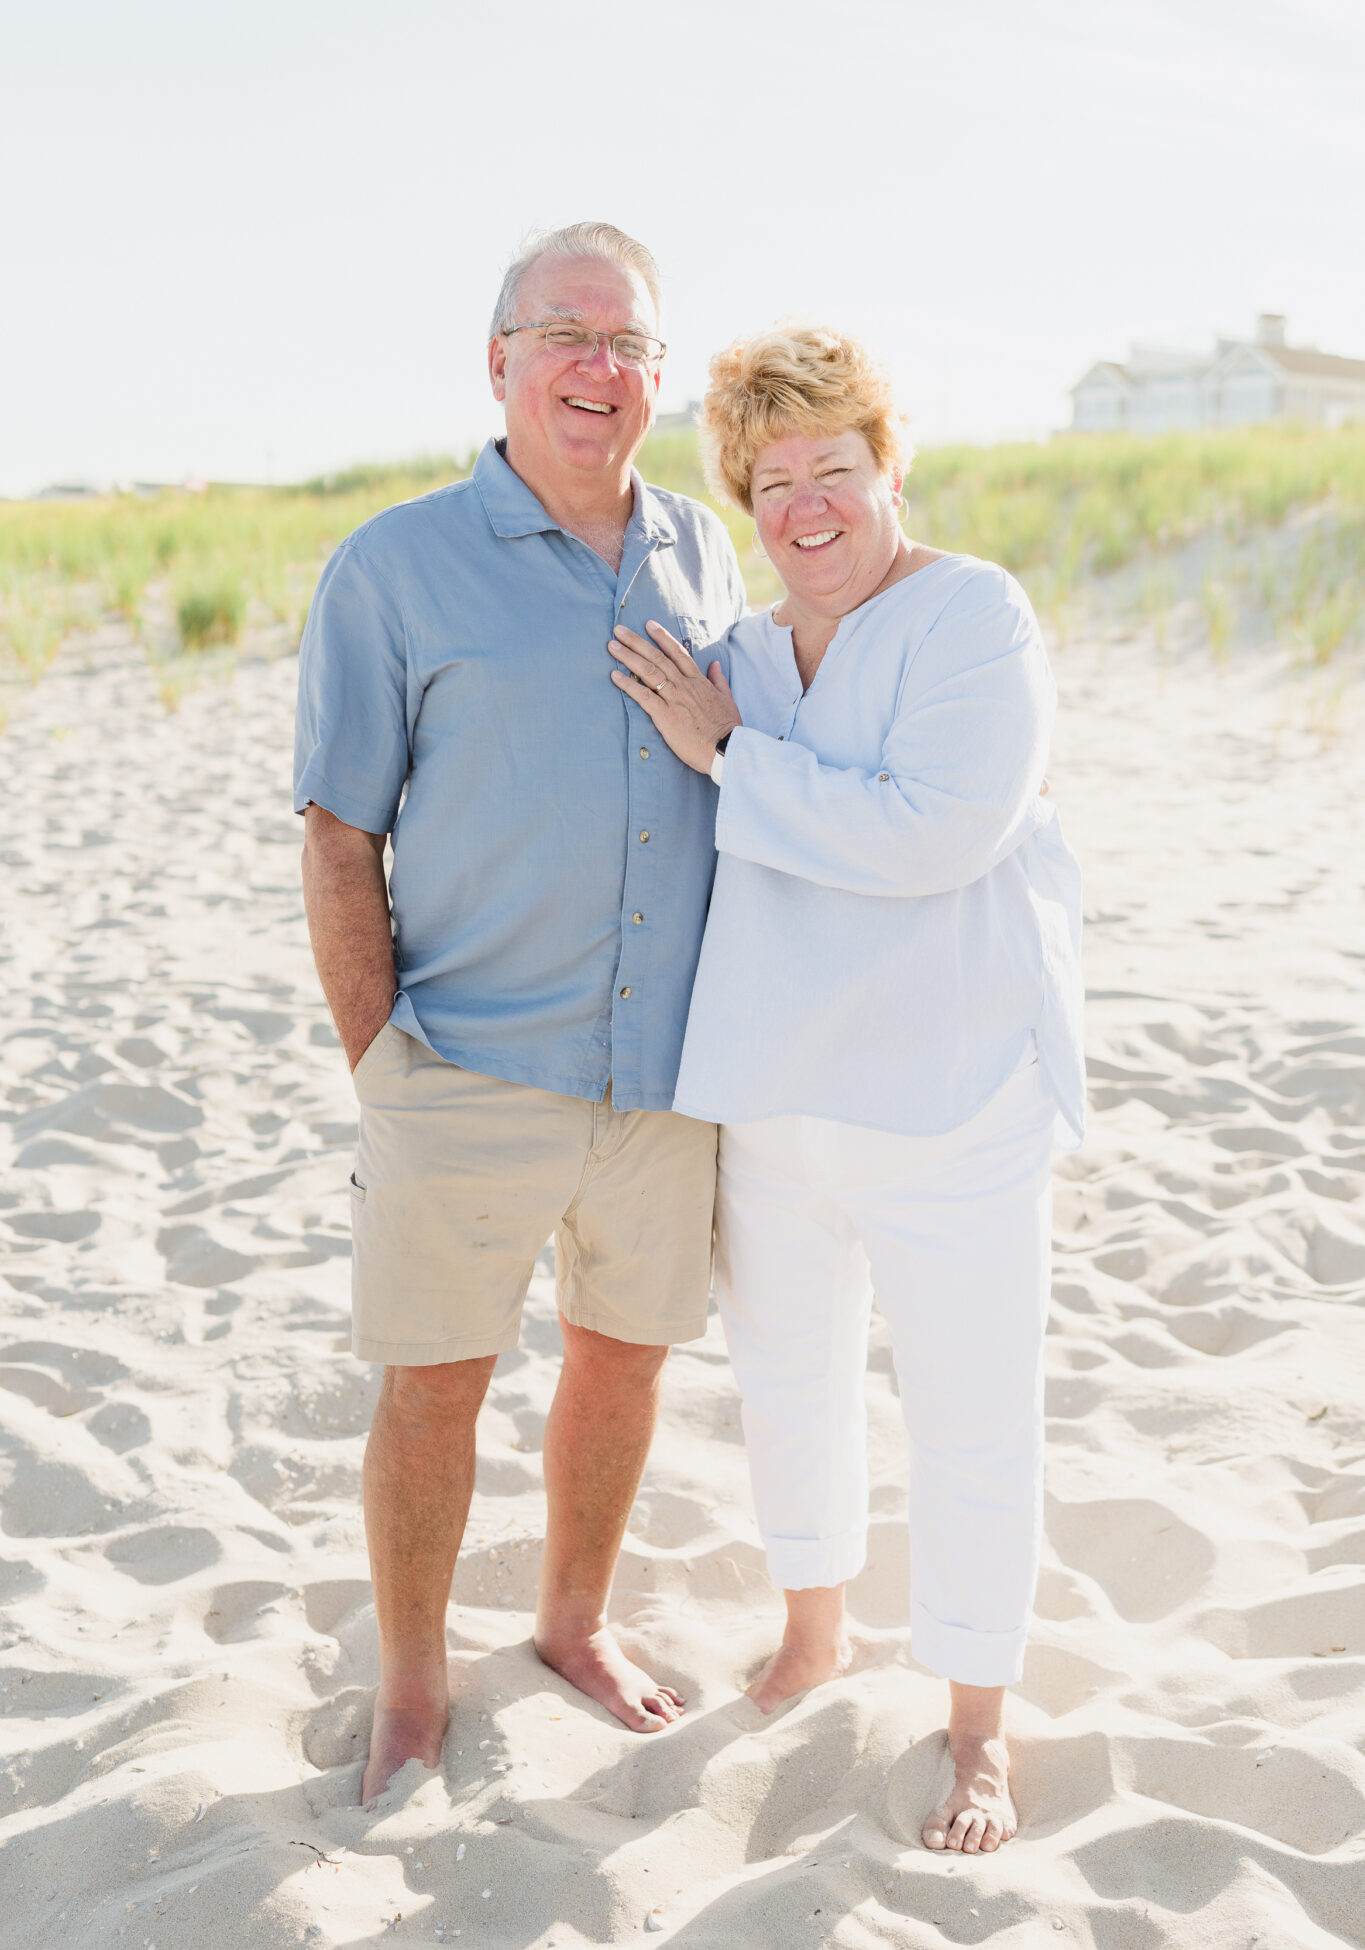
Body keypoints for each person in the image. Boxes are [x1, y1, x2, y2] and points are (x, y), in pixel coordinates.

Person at [608, 323, 1084, 1856]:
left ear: (888, 468)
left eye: (832, 470)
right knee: (789, 1386)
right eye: (771, 483)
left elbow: (934, 835)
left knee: (971, 1416)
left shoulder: (970, 617)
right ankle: (814, 1632)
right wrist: (724, 739)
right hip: (776, 1102)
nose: (804, 508)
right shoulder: (743, 656)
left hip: (951, 1102)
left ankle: (976, 1724)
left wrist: (734, 761)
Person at [294, 222, 746, 1803]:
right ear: (498, 362)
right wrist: (381, 1061)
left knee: (621, 1367)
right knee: (435, 1387)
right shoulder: (394, 565)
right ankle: (413, 1684)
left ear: (656, 376)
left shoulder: (702, 551)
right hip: (464, 1068)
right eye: (566, 335)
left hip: (662, 1078)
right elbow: (338, 835)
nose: (597, 370)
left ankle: (571, 1624)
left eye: (629, 345)